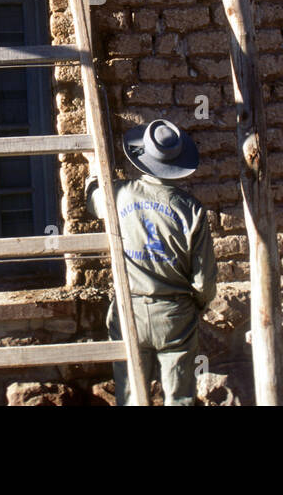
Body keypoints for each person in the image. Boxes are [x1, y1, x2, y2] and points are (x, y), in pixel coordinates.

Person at [85, 118, 217, 406]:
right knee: (180, 397)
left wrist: (94, 170)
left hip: (129, 308)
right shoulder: (191, 209)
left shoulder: (117, 195)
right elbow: (204, 279)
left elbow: (93, 201)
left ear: (142, 157)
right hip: (174, 313)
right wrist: (197, 305)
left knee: (132, 395)